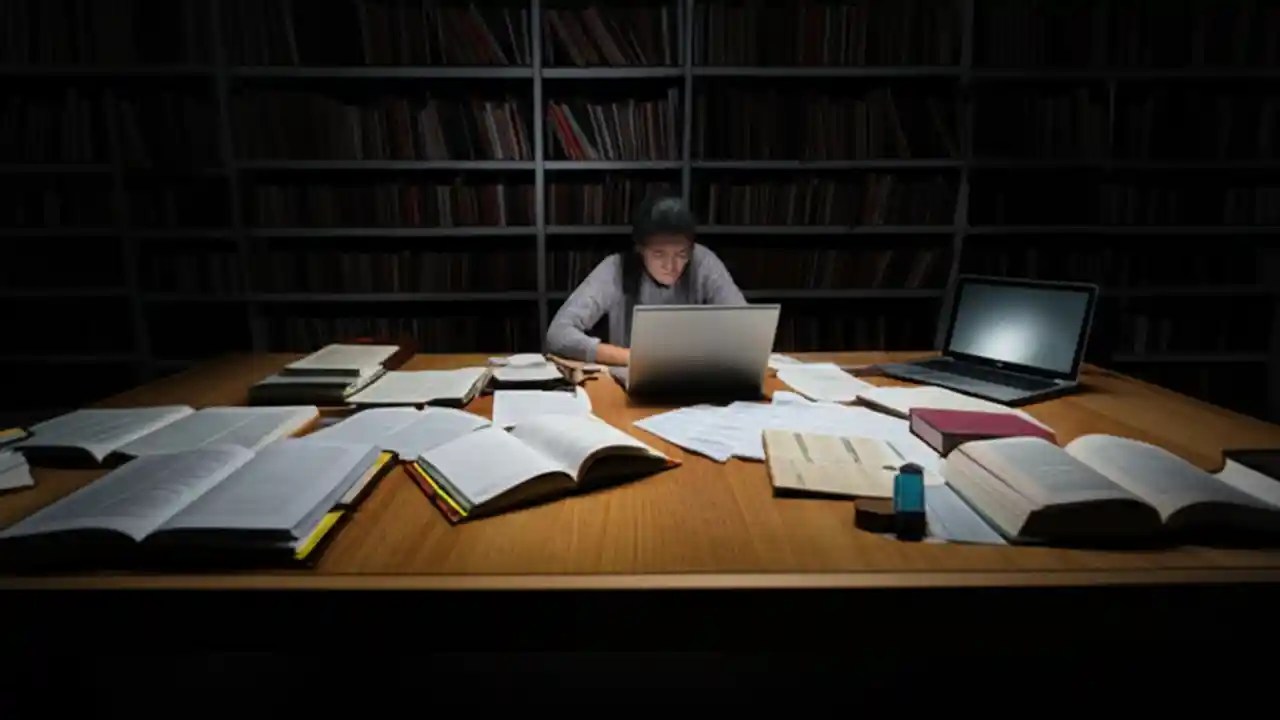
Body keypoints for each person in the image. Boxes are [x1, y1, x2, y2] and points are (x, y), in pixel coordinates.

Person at [546, 194, 747, 366]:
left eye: (682, 253)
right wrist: (632, 358)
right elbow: (558, 334)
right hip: (632, 373)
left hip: (697, 374)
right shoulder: (616, 268)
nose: (671, 266)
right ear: (640, 249)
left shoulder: (703, 262)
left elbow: (745, 326)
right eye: (659, 254)